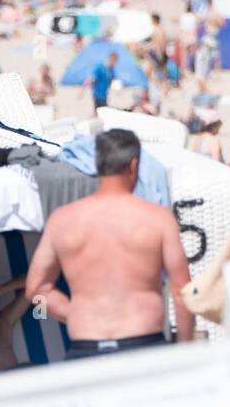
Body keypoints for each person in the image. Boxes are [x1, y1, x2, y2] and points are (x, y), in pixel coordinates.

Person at [26, 130, 193, 359]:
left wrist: (68, 314)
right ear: (134, 166)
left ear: (96, 164)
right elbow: (180, 289)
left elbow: (35, 292)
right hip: (144, 344)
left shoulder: (62, 220)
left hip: (86, 346)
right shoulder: (158, 219)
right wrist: (186, 346)